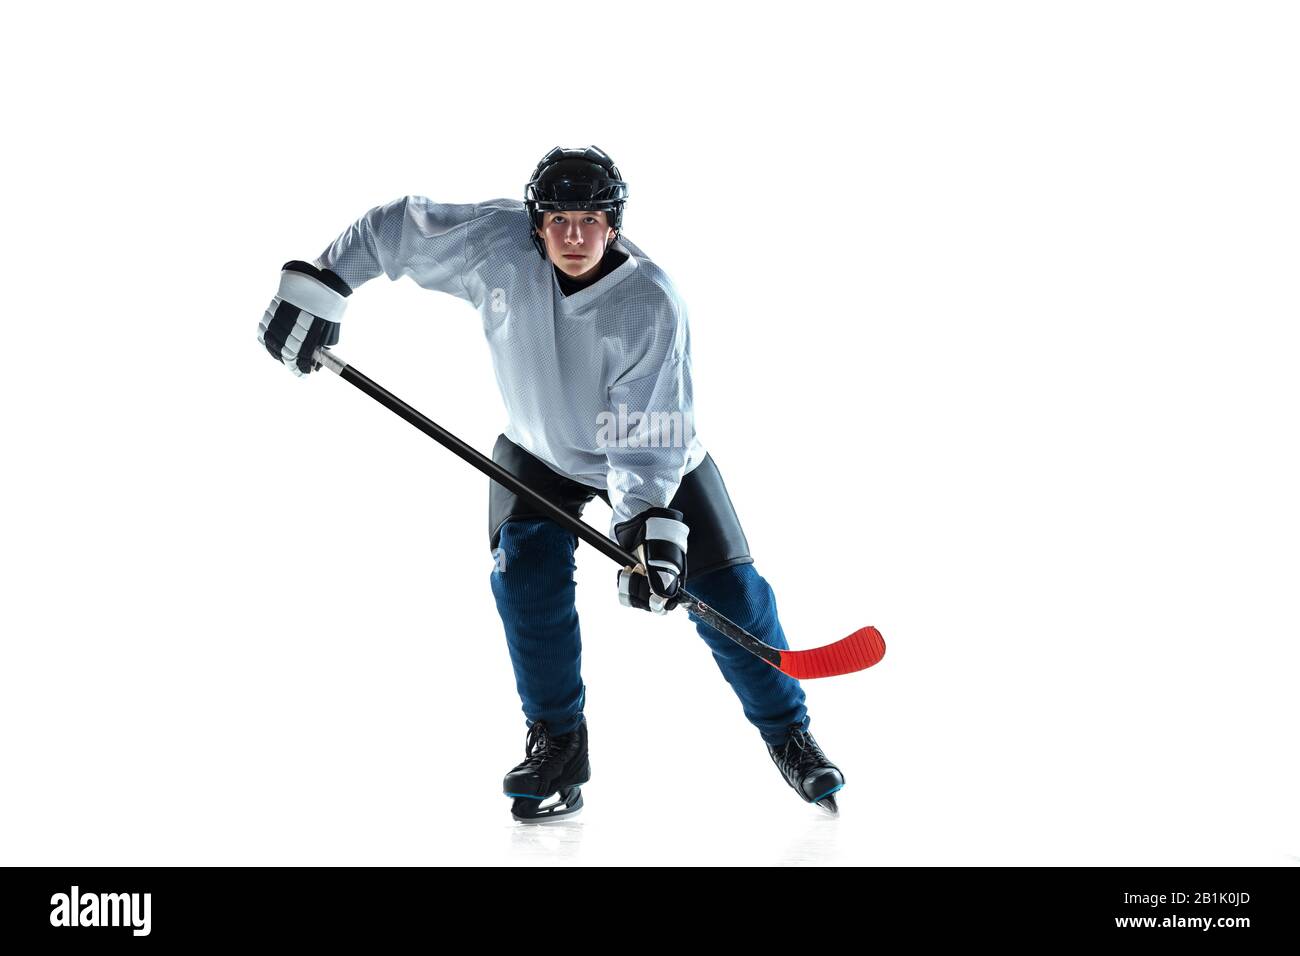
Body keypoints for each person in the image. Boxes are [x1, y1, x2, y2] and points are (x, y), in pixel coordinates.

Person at [258, 145, 844, 820]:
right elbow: (396, 229)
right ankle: (559, 746)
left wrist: (648, 538)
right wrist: (324, 284)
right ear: (535, 223)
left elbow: (646, 442)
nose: (572, 236)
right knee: (523, 580)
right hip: (537, 447)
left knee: (730, 594)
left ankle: (789, 734)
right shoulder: (496, 245)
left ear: (613, 224)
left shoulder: (651, 304)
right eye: (558, 219)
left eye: (589, 220)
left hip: (655, 456)